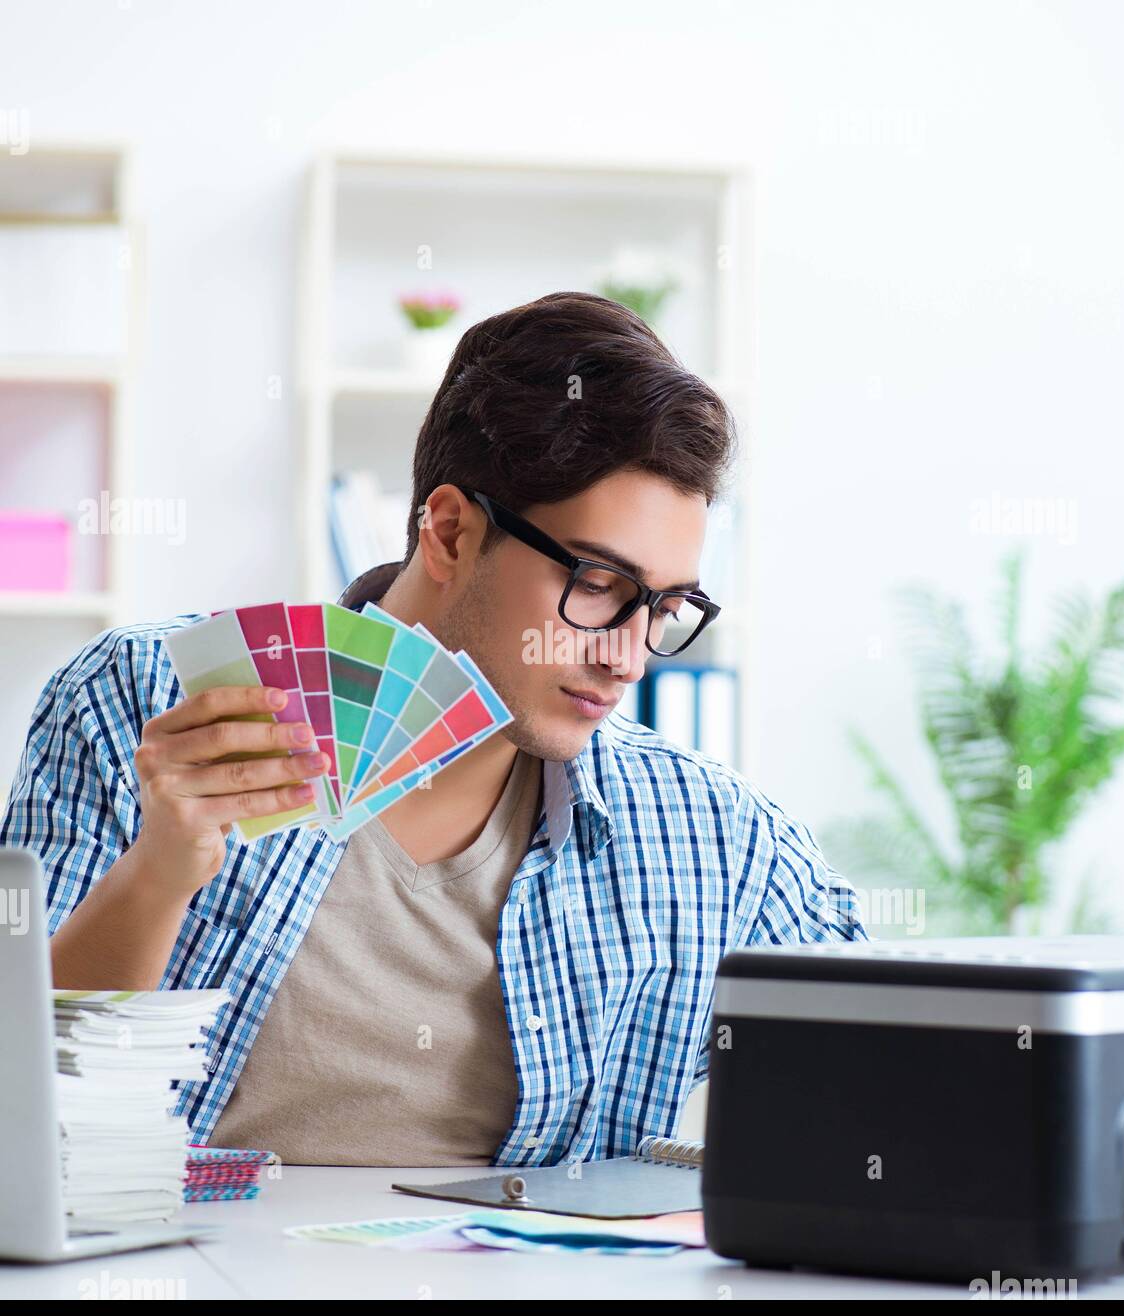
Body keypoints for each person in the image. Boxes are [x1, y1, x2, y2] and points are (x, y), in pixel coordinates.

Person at [0, 290, 865, 1167]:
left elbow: (900, 1063)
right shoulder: (154, 703)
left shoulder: (711, 838)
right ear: (449, 532)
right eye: (600, 587)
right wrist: (157, 877)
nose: (631, 658)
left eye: (667, 607)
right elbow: (19, 1116)